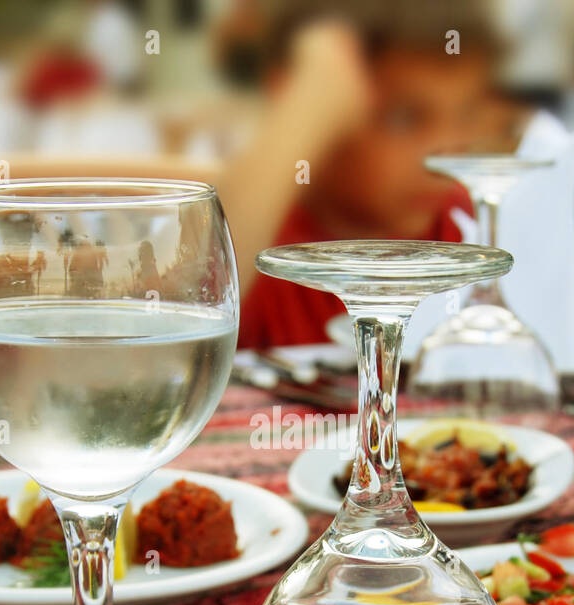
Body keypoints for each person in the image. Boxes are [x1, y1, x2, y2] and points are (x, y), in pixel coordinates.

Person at [219, 2, 522, 350]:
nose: (443, 157)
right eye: (403, 118)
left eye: (466, 115)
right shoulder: (262, 244)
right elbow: (200, 284)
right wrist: (307, 95)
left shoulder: (464, 229)